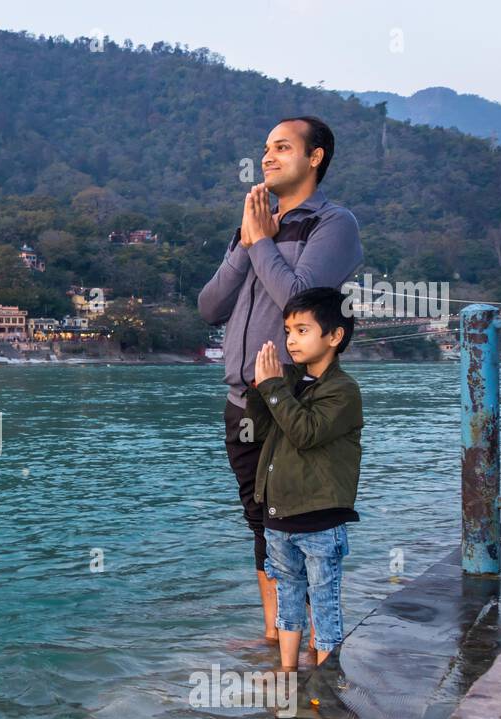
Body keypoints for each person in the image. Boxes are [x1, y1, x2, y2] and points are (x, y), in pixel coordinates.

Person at [198, 116, 363, 643]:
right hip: (241, 400)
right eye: (266, 147)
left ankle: (321, 644)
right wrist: (250, 242)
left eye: (283, 147)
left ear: (315, 158)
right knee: (259, 517)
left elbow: (299, 295)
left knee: (303, 521)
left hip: (290, 396)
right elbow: (209, 306)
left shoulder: (333, 224)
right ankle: (275, 637)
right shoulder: (254, 224)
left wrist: (263, 243)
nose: (267, 156)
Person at [248, 287, 364, 668]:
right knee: (288, 598)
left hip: (320, 519)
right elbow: (261, 429)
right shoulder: (290, 382)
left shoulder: (343, 391)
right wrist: (260, 388)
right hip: (280, 515)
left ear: (334, 336)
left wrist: (273, 388)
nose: (291, 340)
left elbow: (306, 433)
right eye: (288, 331)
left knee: (324, 600)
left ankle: (328, 680)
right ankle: (286, 670)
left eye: (302, 330)